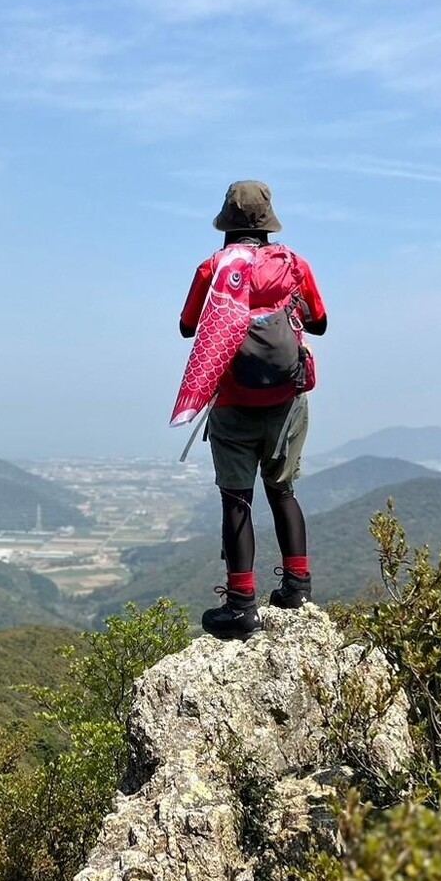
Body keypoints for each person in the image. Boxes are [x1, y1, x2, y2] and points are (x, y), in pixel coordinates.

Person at [179, 181, 327, 640]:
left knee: (237, 500)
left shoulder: (213, 268)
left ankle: (242, 606)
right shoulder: (294, 265)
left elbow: (187, 327)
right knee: (283, 492)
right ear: (268, 223)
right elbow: (320, 323)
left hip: (232, 404)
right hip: (286, 404)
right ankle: (297, 588)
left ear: (226, 223)